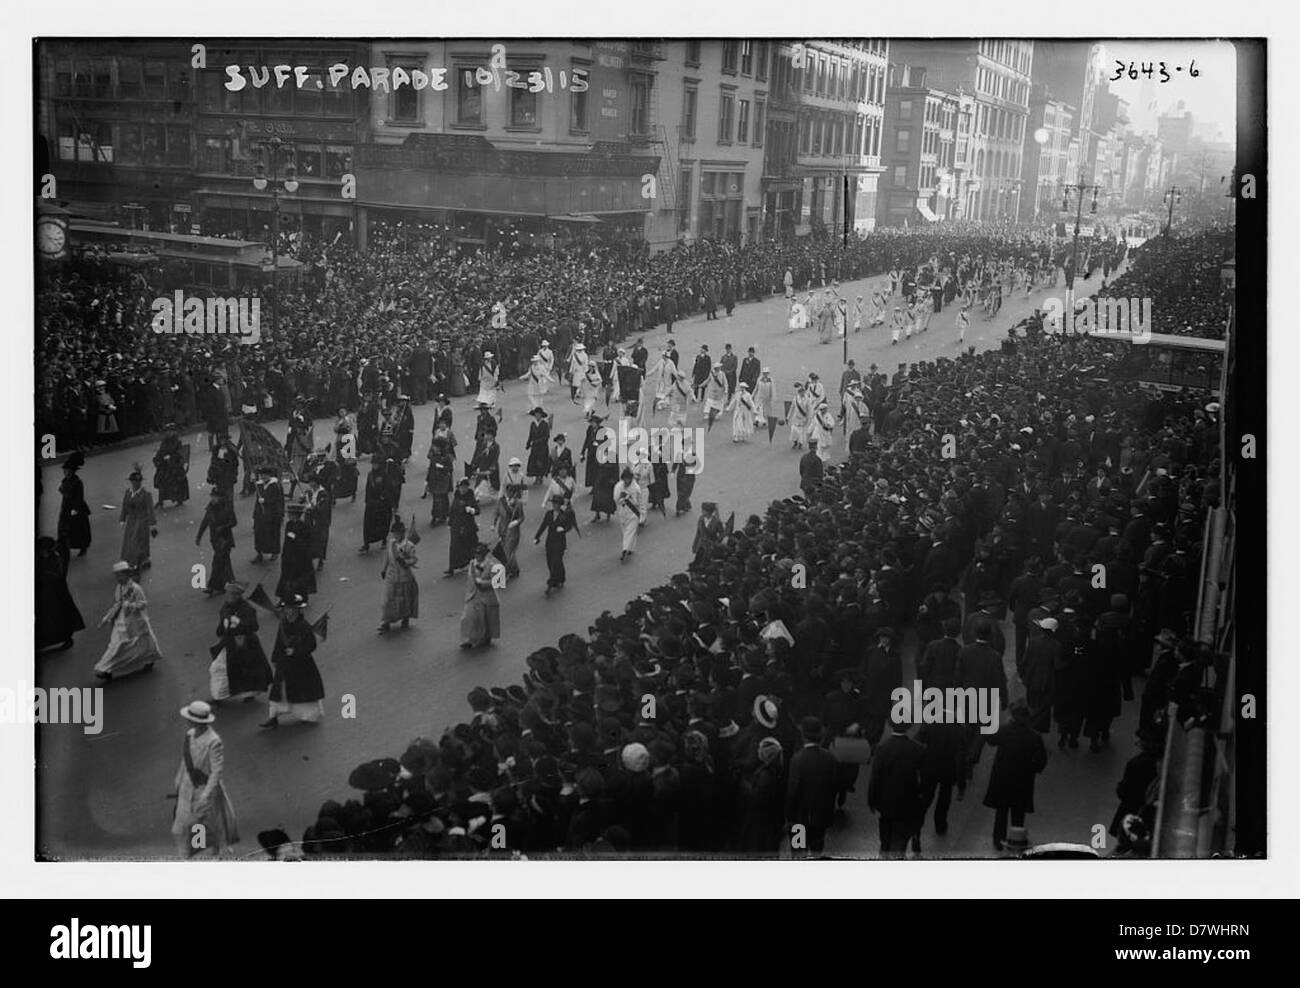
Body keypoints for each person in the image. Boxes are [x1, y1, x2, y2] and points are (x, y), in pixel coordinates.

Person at [171, 701, 239, 859]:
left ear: (197, 721)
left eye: (190, 719)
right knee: (183, 824)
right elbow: (184, 760)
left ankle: (204, 855)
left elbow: (216, 772)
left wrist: (206, 795)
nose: (187, 721)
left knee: (201, 824)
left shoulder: (214, 741)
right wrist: (179, 779)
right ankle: (194, 853)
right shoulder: (190, 735)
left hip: (203, 788)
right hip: (188, 786)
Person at [984, 702, 1048, 851]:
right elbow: (1041, 761)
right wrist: (1032, 769)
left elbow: (990, 740)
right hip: (1023, 781)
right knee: (1018, 813)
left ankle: (998, 838)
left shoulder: (1004, 730)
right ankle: (1016, 840)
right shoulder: (1034, 736)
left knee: (1001, 811)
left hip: (1002, 778)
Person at [261, 594, 325, 729]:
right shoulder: (283, 624)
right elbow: (279, 642)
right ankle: (273, 717)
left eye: (292, 609)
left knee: (303, 691)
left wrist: (296, 651)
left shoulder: (304, 626)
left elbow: (312, 645)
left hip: (301, 665)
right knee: (279, 690)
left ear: (298, 610)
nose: (289, 611)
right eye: (287, 608)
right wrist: (275, 657)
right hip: (284, 663)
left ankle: (308, 715)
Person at [867, 721, 926, 857]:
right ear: (909, 726)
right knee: (900, 839)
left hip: (886, 801)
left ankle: (884, 854)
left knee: (885, 836)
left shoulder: (882, 748)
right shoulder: (917, 749)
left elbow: (875, 777)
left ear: (890, 724)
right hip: (907, 801)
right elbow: (923, 777)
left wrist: (872, 800)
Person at [95, 560, 162, 680]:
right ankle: (105, 668)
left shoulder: (136, 588)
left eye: (120, 576)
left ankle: (149, 658)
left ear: (126, 575)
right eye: (117, 576)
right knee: (116, 644)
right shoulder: (119, 588)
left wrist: (131, 605)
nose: (118, 578)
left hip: (135, 620)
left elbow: (143, 604)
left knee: (141, 642)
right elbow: (118, 603)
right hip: (121, 619)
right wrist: (108, 616)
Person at [210, 581, 272, 702]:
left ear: (239, 596)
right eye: (229, 594)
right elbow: (222, 620)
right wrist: (222, 629)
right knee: (219, 668)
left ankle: (249, 694)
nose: (230, 597)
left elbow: (254, 626)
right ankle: (218, 695)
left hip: (246, 644)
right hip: (229, 642)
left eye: (234, 595)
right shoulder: (226, 606)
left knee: (248, 670)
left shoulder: (248, 609)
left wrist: (240, 623)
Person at [785, 716, 838, 856]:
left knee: (798, 853)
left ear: (803, 736)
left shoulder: (797, 759)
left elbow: (793, 791)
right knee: (816, 853)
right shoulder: (830, 758)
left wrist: (789, 816)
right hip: (821, 818)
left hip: (799, 820)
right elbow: (834, 787)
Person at [37, 536, 84, 652]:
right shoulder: (46, 559)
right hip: (48, 593)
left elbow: (57, 575)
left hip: (56, 593)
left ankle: (64, 638)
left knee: (58, 617)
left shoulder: (56, 559)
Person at [378, 517, 419, 635]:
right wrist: (384, 569)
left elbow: (414, 560)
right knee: (388, 600)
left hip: (404, 576)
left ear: (403, 533)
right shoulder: (391, 543)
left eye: (398, 533)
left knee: (404, 599)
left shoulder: (409, 546)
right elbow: (387, 557)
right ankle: (385, 622)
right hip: (392, 576)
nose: (396, 535)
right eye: (394, 533)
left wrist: (405, 561)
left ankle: (405, 618)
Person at [534, 493, 579, 596]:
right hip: (550, 542)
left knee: (555, 562)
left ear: (560, 505)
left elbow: (569, 526)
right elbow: (543, 525)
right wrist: (537, 537)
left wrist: (563, 529)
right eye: (553, 503)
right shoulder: (549, 514)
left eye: (557, 503)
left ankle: (550, 584)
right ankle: (561, 578)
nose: (555, 505)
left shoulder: (564, 515)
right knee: (551, 563)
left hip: (560, 543)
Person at [195, 488, 237, 596]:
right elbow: (205, 522)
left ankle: (213, 586)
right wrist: (198, 537)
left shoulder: (227, 508)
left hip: (225, 539)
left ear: (221, 498)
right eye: (212, 496)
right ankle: (230, 582)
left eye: (215, 497)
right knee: (224, 562)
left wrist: (223, 527)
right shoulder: (210, 508)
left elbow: (233, 522)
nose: (213, 499)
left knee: (217, 561)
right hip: (214, 540)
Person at [460, 543, 501, 648]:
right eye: (475, 553)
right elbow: (470, 577)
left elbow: (496, 582)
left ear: (484, 554)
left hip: (487, 594)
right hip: (474, 594)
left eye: (479, 553)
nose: (476, 556)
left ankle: (484, 637)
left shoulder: (492, 566)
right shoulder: (472, 564)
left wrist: (483, 583)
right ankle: (469, 638)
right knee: (468, 616)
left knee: (484, 618)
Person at [275, 502, 317, 601]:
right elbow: (286, 542)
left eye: (290, 514)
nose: (289, 516)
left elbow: (306, 543)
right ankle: (283, 599)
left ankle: (301, 599)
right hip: (289, 557)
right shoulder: (289, 524)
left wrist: (295, 537)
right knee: (286, 579)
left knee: (298, 581)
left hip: (300, 558)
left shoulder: (304, 526)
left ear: (296, 515)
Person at [119, 464, 156, 571]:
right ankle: (130, 560)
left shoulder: (146, 494)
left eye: (137, 482)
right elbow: (124, 506)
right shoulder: (128, 493)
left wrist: (152, 524)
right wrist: (122, 519)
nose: (135, 484)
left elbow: (150, 510)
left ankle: (141, 560)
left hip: (142, 520)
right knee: (129, 541)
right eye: (134, 482)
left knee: (139, 541)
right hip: (131, 521)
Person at [57, 452, 91, 556]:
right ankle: (63, 547)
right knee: (64, 528)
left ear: (72, 471)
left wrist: (74, 510)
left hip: (76, 509)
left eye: (68, 470)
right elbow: (62, 490)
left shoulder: (77, 482)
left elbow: (79, 497)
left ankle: (83, 547)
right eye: (65, 470)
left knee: (78, 529)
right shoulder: (65, 481)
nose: (66, 472)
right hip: (66, 508)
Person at [446, 477, 480, 576]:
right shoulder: (456, 497)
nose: (462, 489)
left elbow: (477, 510)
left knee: (470, 545)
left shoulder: (470, 497)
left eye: (464, 487)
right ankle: (452, 567)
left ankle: (472, 563)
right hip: (456, 525)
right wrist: (450, 522)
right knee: (454, 546)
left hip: (467, 525)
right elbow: (452, 510)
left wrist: (471, 510)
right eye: (461, 487)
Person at [251, 466, 284, 564]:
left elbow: (278, 500)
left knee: (272, 534)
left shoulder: (275, 486)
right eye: (261, 475)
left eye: (265, 475)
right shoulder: (259, 485)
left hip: (272, 515)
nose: (263, 477)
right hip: (260, 515)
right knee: (259, 534)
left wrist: (266, 501)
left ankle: (274, 552)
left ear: (269, 475)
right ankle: (259, 553)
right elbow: (257, 502)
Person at [360, 459, 394, 553]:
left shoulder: (385, 475)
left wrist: (383, 497)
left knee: (382, 523)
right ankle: (366, 543)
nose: (374, 466)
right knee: (368, 524)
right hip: (372, 503)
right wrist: (367, 501)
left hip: (382, 504)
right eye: (373, 464)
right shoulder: (370, 474)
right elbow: (368, 488)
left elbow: (388, 488)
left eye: (376, 464)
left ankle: (383, 539)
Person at [493, 483, 525, 579]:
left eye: (511, 491)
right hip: (502, 529)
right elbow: (496, 513)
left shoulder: (518, 503)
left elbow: (522, 517)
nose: (509, 493)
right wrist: (493, 524)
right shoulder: (501, 501)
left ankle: (506, 572)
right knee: (507, 551)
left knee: (508, 551)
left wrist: (516, 522)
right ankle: (514, 569)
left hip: (513, 531)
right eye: (508, 491)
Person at [152, 425, 190, 507]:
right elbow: (161, 451)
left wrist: (172, 457)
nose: (168, 433)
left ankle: (179, 499)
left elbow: (180, 453)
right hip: (165, 465)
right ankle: (161, 500)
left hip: (175, 464)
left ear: (174, 432)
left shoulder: (177, 441)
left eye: (170, 431)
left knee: (176, 480)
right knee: (161, 479)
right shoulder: (164, 441)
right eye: (167, 431)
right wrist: (157, 458)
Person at [613, 467, 642, 563]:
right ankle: (630, 548)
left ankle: (625, 549)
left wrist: (628, 497)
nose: (626, 481)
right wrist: (621, 497)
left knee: (629, 531)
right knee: (626, 531)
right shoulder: (618, 486)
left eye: (628, 479)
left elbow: (637, 502)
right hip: (622, 512)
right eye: (625, 478)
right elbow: (616, 499)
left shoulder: (636, 488)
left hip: (633, 513)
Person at [525, 407, 552, 484]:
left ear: (541, 415)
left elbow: (546, 436)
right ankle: (536, 477)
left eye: (538, 415)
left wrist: (537, 441)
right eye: (536, 414)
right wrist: (528, 443)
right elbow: (530, 434)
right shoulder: (533, 424)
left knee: (541, 462)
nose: (537, 416)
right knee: (534, 462)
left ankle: (540, 477)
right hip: (534, 447)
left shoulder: (545, 424)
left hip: (542, 447)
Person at [753, 368, 777, 444]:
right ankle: (757, 420)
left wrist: (773, 398)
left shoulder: (771, 380)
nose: (765, 374)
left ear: (768, 373)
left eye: (766, 373)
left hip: (767, 398)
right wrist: (753, 395)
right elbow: (756, 388)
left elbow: (773, 389)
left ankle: (764, 421)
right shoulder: (759, 379)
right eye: (764, 373)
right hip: (760, 397)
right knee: (758, 409)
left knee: (766, 411)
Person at [788, 382, 811, 449]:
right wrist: (788, 416)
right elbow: (792, 407)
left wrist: (808, 419)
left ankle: (800, 444)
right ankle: (795, 442)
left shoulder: (807, 400)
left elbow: (809, 410)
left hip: (803, 418)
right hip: (795, 417)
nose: (802, 393)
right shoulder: (795, 398)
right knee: (793, 431)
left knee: (801, 432)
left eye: (803, 392)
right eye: (800, 392)